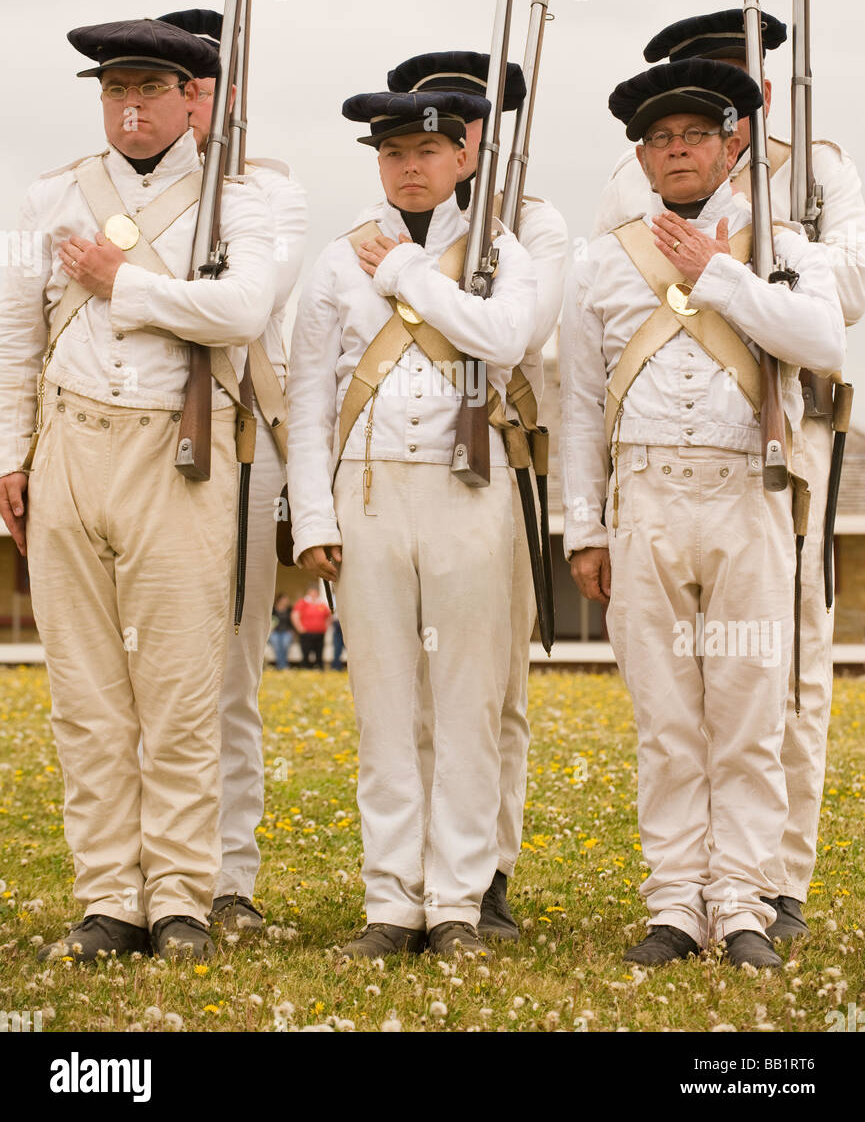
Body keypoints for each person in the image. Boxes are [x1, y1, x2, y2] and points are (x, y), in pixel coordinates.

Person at [0, 17, 274, 962]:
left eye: (150, 90)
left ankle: (182, 897)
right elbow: (14, 334)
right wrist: (10, 456)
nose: (129, 107)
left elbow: (242, 311)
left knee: (181, 691)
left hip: (178, 452)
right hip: (69, 446)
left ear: (188, 98)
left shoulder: (241, 198)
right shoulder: (47, 197)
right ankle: (109, 895)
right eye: (115, 89)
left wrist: (124, 283)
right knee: (86, 693)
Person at [561, 57, 845, 970]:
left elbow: (824, 341)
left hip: (746, 491)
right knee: (668, 718)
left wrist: (723, 277)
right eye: (658, 139)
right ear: (639, 158)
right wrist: (584, 528)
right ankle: (675, 901)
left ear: (731, 146)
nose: (675, 150)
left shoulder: (780, 246)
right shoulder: (601, 261)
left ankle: (745, 901)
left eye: (693, 135)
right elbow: (575, 405)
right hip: (643, 496)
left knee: (750, 710)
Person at [286, 88, 536, 958]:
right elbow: (308, 396)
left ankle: (458, 904)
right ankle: (392, 902)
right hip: (365, 494)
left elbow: (505, 338)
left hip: (469, 489)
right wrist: (310, 513)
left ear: (462, 157)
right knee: (384, 707)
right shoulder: (332, 260)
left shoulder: (499, 248)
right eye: (392, 153)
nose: (409, 168)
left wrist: (402, 275)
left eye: (426, 152)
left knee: (468, 702)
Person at [386, 51, 569, 940]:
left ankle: (487, 867)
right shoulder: (394, 227)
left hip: (501, 460)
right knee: (407, 692)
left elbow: (521, 335)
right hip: (404, 469)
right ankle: (416, 871)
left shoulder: (532, 225)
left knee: (493, 690)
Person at [158, 8, 308, 935]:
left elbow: (247, 308)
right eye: (180, 86)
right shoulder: (114, 194)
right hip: (134, 442)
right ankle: (153, 875)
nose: (195, 102)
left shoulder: (270, 189)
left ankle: (226, 880)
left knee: (229, 674)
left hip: (243, 440)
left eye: (206, 84)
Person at [291, 585, 330, 670]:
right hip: (306, 633)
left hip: (319, 633)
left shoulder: (321, 603)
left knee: (319, 653)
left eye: (316, 592)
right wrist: (299, 627)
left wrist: (326, 627)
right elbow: (295, 615)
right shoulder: (303, 602)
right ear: (309, 592)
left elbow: (328, 616)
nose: (314, 594)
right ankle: (306, 668)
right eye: (312, 592)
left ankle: (319, 668)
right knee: (306, 652)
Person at [271, 594, 295, 671]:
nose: (286, 601)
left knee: (285, 644)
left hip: (286, 632)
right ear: (279, 600)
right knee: (277, 645)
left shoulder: (290, 610)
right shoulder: (273, 609)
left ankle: (283, 665)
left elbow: (292, 621)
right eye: (284, 599)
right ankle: (281, 665)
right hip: (275, 632)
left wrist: (292, 630)